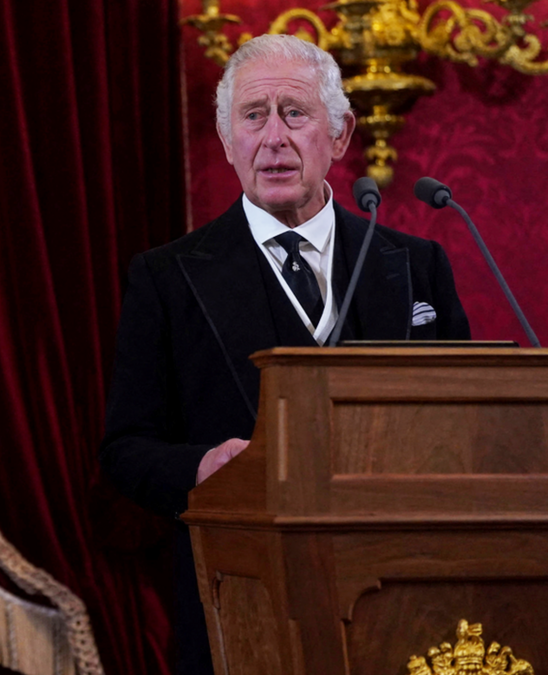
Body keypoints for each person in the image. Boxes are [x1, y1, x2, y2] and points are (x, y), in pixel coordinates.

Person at [99, 34, 469, 675]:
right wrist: (203, 466)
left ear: (340, 134)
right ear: (227, 141)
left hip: (400, 600)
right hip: (243, 600)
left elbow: (465, 424)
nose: (273, 137)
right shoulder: (167, 278)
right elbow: (125, 451)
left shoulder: (416, 265)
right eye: (253, 115)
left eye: (295, 113)